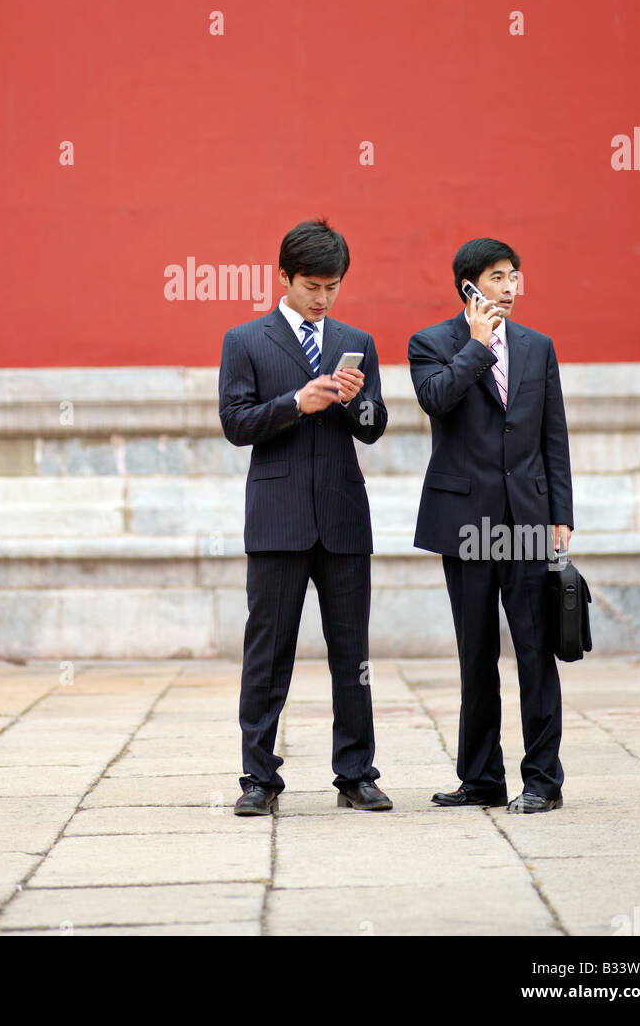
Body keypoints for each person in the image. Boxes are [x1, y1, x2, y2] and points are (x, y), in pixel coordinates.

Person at [218, 218, 391, 815]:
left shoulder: (357, 340)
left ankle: (356, 775)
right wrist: (297, 402)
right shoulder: (245, 340)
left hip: (343, 515)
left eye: (333, 287)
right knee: (267, 652)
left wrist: (352, 401)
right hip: (277, 518)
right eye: (312, 286)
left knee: (353, 653)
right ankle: (259, 779)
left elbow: (374, 428)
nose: (322, 299)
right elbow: (236, 425)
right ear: (284, 277)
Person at [408, 238, 573, 814]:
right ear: (469, 287)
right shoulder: (431, 343)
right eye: (497, 277)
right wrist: (477, 345)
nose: (509, 287)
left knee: (535, 651)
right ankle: (481, 779)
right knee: (475, 654)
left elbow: (554, 432)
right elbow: (436, 400)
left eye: (514, 276)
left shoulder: (537, 347)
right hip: (465, 522)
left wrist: (561, 514)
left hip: (526, 520)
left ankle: (542, 782)